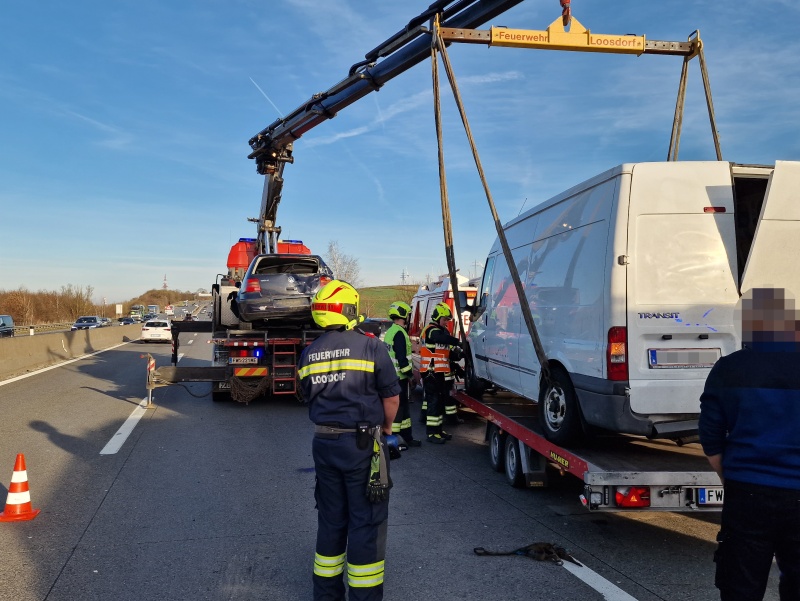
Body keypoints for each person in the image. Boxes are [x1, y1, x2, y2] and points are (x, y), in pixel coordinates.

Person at [298, 280, 400, 601]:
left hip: (324, 444)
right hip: (363, 444)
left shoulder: (309, 352)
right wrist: (386, 430)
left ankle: (326, 594)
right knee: (366, 520)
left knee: (331, 518)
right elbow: (391, 398)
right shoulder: (372, 347)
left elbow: (304, 395)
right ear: (350, 310)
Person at [699, 287, 800, 601]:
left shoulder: (729, 368)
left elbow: (711, 438)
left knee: (740, 586)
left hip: (747, 492)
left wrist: (732, 477)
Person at [420, 302, 462, 444]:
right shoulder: (431, 330)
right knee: (433, 403)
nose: (446, 323)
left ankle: (438, 430)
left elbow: (445, 353)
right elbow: (440, 338)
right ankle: (431, 434)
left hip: (439, 374)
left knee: (439, 403)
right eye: (444, 320)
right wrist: (458, 342)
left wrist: (459, 356)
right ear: (437, 317)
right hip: (431, 373)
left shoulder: (442, 331)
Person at [384, 301, 421, 450]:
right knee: (398, 410)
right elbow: (401, 358)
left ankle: (406, 437)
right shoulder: (399, 333)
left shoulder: (391, 331)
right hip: (399, 378)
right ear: (404, 315)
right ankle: (395, 442)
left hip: (393, 377)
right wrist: (411, 376)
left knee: (404, 409)